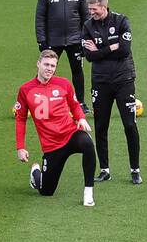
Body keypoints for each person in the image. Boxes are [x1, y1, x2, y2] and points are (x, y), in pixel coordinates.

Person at [15, 51, 96, 206]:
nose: (49, 69)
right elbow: (21, 119)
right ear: (38, 64)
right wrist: (20, 147)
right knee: (46, 191)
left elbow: (75, 105)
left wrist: (80, 118)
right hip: (51, 146)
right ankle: (36, 173)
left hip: (70, 134)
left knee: (87, 143)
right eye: (46, 64)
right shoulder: (25, 90)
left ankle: (88, 192)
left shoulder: (64, 84)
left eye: (53, 66)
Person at [81, 0, 140, 184]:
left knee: (130, 125)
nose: (91, 13)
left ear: (104, 6)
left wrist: (101, 50)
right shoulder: (88, 26)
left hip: (124, 80)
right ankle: (105, 169)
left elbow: (124, 49)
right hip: (100, 81)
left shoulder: (122, 21)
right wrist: (111, 47)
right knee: (100, 126)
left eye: (94, 9)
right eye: (89, 10)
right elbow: (88, 56)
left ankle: (134, 170)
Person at [34, 0, 89, 102]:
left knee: (77, 71)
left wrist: (85, 39)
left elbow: (86, 18)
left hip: (75, 40)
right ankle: (43, 100)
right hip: (53, 41)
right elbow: (39, 18)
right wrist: (41, 40)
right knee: (46, 70)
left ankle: (81, 102)